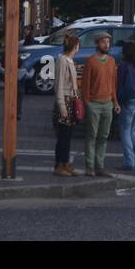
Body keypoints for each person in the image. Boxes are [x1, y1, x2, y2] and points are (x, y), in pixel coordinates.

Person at [80, 32, 120, 176]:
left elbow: (113, 83)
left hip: (108, 103)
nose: (106, 45)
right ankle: (89, 166)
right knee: (91, 135)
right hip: (94, 103)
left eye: (108, 42)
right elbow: (85, 85)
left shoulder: (111, 61)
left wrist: (115, 102)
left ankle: (100, 166)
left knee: (103, 136)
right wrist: (87, 103)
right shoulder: (90, 61)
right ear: (97, 44)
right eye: (103, 42)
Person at [52, 33, 80, 176]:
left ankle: (65, 162)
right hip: (65, 101)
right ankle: (59, 164)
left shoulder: (69, 60)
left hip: (70, 100)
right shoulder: (62, 60)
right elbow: (59, 84)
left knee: (68, 135)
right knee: (63, 135)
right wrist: (62, 106)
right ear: (76, 46)